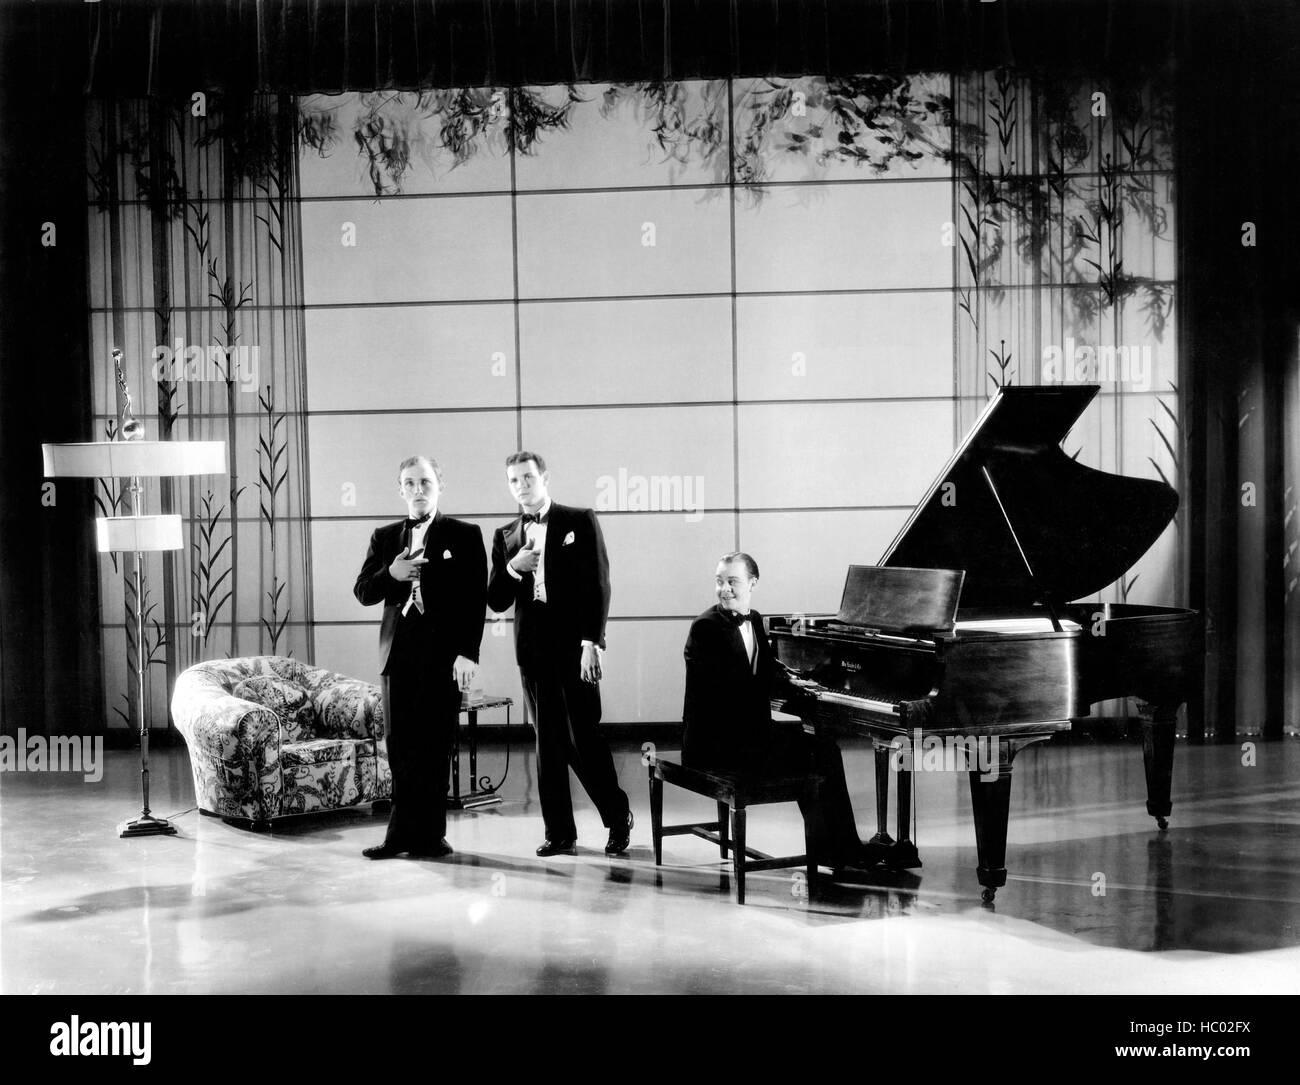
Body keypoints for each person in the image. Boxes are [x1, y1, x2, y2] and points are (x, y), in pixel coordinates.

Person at [681, 552, 870, 872]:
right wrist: (787, 692)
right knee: (818, 752)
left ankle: (835, 849)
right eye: (719, 581)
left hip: (748, 734)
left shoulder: (753, 619)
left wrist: (803, 684)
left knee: (822, 749)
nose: (724, 589)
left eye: (732, 582)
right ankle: (838, 851)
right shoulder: (705, 628)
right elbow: (730, 691)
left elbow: (766, 669)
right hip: (716, 743)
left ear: (753, 583)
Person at [488, 452, 633, 857]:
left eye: (528, 477)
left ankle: (616, 815)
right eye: (514, 480)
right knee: (547, 744)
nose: (522, 485)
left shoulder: (579, 520)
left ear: (545, 477)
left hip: (575, 648)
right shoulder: (504, 536)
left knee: (585, 737)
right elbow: (496, 600)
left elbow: (599, 585)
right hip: (533, 651)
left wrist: (592, 643)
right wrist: (513, 568)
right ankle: (559, 833)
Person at [354, 455, 486, 859]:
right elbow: (363, 591)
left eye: (425, 482)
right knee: (400, 747)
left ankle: (431, 836)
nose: (417, 490)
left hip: (444, 656)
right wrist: (390, 575)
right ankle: (399, 836)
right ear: (400, 489)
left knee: (436, 745)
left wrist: (468, 654)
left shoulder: (465, 534)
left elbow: (474, 600)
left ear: (439, 485)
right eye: (409, 483)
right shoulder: (384, 535)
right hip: (398, 656)